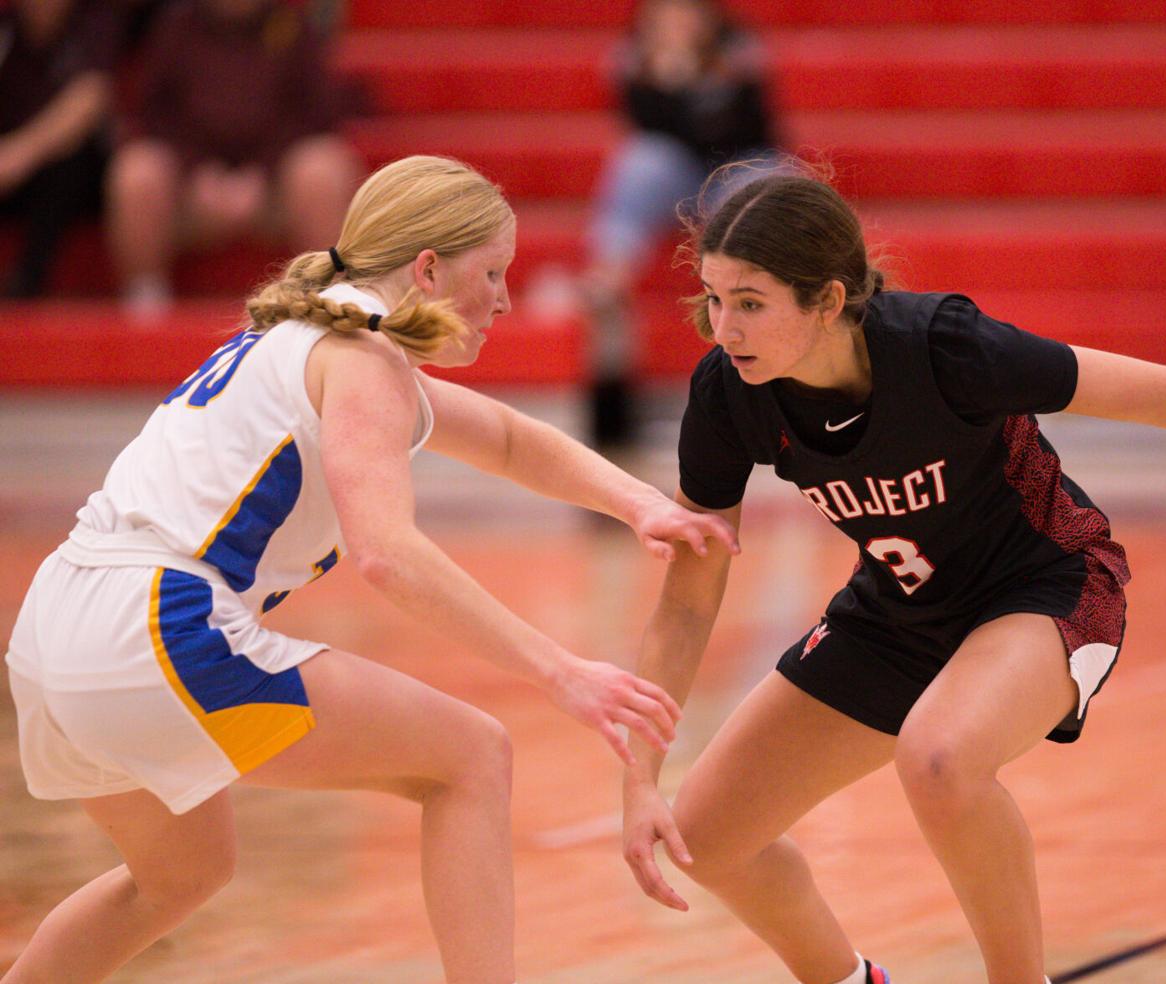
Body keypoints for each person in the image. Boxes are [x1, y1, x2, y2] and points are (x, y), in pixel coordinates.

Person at [618, 167, 1166, 984]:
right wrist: (639, 778)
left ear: (829, 300)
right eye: (717, 301)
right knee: (705, 835)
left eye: (751, 305)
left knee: (940, 758)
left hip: (1047, 584)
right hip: (898, 612)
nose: (723, 329)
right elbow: (689, 599)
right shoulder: (729, 393)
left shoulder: (945, 350)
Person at [2, 155, 738, 984]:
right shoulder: (358, 356)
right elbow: (387, 555)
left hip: (54, 629)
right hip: (150, 622)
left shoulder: (311, 335)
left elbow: (503, 437)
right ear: (427, 268)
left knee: (179, 876)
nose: (503, 297)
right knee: (471, 756)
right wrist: (559, 669)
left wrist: (642, 505)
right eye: (492, 272)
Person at [581, 0, 781, 447]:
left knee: (769, 179)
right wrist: (674, 84)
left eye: (686, 15)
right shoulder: (632, 60)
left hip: (736, 165)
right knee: (640, 162)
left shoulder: (742, 54)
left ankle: (773, 278)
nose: (677, 25)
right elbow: (648, 127)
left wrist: (694, 87)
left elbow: (749, 129)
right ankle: (609, 275)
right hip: (674, 174)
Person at [107, 0, 361, 316]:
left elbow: (317, 115)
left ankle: (326, 298)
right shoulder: (176, 28)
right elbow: (151, 114)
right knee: (136, 170)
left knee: (323, 167)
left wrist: (262, 174)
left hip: (275, 191)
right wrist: (197, 171)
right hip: (191, 191)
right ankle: (145, 300)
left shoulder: (292, 28)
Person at [0, 0, 120, 297]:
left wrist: (17, 155)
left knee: (70, 163)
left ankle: (28, 285)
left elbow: (89, 99)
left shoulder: (93, 25)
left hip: (66, 176)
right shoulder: (7, 29)